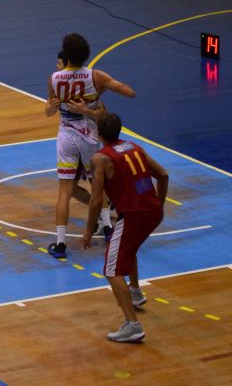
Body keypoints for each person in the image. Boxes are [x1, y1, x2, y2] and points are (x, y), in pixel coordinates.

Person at [45, 33, 135, 259]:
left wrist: (54, 106)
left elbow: (49, 110)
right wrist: (106, 89)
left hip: (66, 135)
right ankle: (107, 229)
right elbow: (129, 92)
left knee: (64, 192)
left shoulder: (54, 78)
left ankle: (60, 244)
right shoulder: (96, 76)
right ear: (86, 54)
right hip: (89, 136)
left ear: (65, 55)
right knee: (98, 185)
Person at [82, 113, 169, 343]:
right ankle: (135, 293)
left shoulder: (100, 159)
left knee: (111, 270)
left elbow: (96, 200)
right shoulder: (134, 146)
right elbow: (163, 174)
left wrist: (89, 230)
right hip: (153, 212)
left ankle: (133, 325)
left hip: (134, 216)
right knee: (126, 250)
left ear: (98, 133)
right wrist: (160, 203)